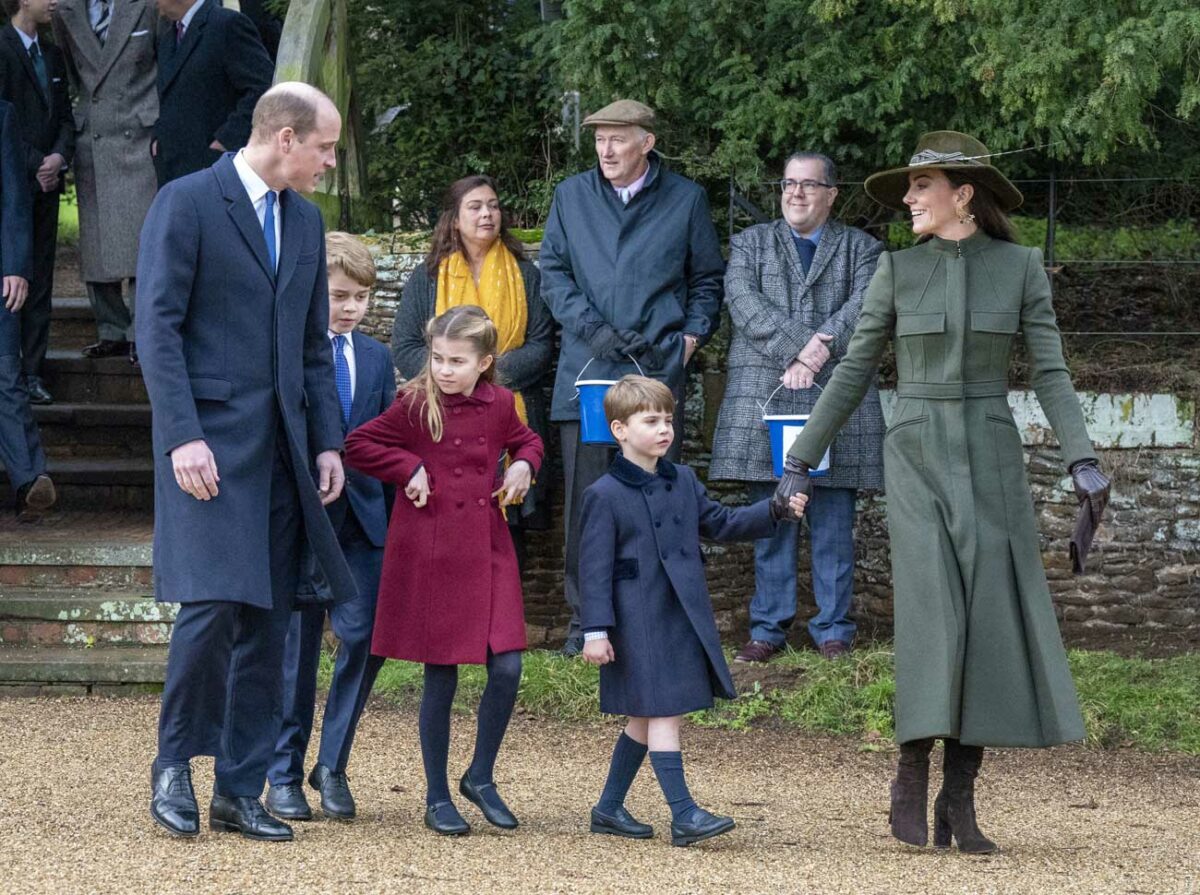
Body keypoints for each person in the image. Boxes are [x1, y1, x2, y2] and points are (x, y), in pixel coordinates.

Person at [773, 131, 1112, 853]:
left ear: (962, 194)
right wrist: (801, 457)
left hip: (991, 452)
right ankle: (911, 763)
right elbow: (856, 368)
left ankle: (960, 798)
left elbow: (1051, 371)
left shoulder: (1020, 268)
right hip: (917, 451)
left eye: (921, 186)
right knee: (935, 615)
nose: (908, 198)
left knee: (988, 620)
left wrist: (1082, 458)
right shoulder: (895, 270)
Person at [139, 83, 356, 843]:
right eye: (326, 146)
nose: (331, 160)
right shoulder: (188, 202)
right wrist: (181, 435)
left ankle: (238, 787)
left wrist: (328, 441)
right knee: (209, 609)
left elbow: (311, 350)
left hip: (286, 456)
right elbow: (157, 329)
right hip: (208, 450)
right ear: (287, 138)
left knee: (272, 620)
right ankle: (173, 766)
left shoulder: (306, 223)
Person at [344, 306, 544, 837]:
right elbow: (359, 444)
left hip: (488, 546)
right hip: (431, 550)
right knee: (442, 674)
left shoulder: (501, 402)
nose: (444, 370)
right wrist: (408, 468)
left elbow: (526, 440)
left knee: (508, 667)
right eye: (437, 358)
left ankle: (480, 776)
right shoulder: (415, 402)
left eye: (457, 361)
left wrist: (524, 464)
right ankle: (436, 796)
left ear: (485, 362)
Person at [580, 376, 805, 847]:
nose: (665, 429)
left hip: (680, 611)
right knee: (663, 710)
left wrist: (776, 509)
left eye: (668, 419)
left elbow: (720, 524)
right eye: (651, 420)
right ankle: (684, 815)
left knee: (645, 716)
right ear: (620, 429)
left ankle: (607, 808)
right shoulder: (603, 493)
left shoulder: (682, 479)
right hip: (633, 619)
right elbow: (593, 570)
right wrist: (594, 630)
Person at [540, 99, 724, 656]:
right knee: (588, 503)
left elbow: (707, 280)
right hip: (588, 374)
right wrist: (592, 329)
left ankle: (654, 620)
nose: (606, 149)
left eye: (618, 139)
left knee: (659, 502)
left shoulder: (687, 199)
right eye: (599, 139)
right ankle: (584, 625)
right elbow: (553, 272)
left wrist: (688, 341)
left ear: (647, 141)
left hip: (656, 376)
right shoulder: (571, 196)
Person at [710, 151, 884, 663]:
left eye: (810, 185)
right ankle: (768, 628)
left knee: (833, 521)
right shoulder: (748, 244)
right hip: (765, 395)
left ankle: (834, 630)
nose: (796, 194)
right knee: (772, 516)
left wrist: (820, 349)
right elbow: (741, 301)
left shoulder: (864, 250)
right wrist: (799, 348)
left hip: (839, 395)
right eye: (789, 184)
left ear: (832, 194)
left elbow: (868, 306)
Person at [265, 233, 396, 823]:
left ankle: (333, 763)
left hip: (364, 517)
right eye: (339, 296)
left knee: (367, 635)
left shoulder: (375, 358)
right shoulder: (286, 349)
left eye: (361, 298)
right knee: (295, 654)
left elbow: (388, 436)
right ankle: (284, 774)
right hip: (303, 518)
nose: (349, 308)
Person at [391, 174, 554, 568]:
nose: (487, 214)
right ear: (454, 219)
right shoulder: (429, 277)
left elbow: (541, 345)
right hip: (442, 420)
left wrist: (483, 382)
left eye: (493, 206)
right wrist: (453, 386)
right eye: (475, 207)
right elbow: (406, 346)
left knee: (506, 530)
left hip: (510, 415)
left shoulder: (525, 275)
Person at [53, 0, 159, 365]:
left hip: (139, 133)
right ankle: (111, 330)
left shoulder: (147, 5)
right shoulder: (65, 10)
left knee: (140, 238)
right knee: (96, 241)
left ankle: (140, 332)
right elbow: (69, 68)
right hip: (93, 135)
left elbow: (165, 58)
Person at [0, 0, 75, 405]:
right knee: (13, 276)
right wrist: (35, 164)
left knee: (41, 279)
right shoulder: (2, 49)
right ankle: (9, 370)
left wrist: (58, 159)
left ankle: (33, 371)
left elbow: (66, 117)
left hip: (47, 186)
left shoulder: (53, 53)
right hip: (14, 184)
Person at [1, 96, 55, 520]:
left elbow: (14, 196)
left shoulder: (3, 113)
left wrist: (18, 266)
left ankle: (30, 480)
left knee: (6, 373)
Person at [152, 0, 273, 186]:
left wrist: (226, 140)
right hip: (175, 174)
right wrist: (158, 139)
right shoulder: (170, 37)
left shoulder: (227, 25)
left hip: (214, 174)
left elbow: (263, 89)